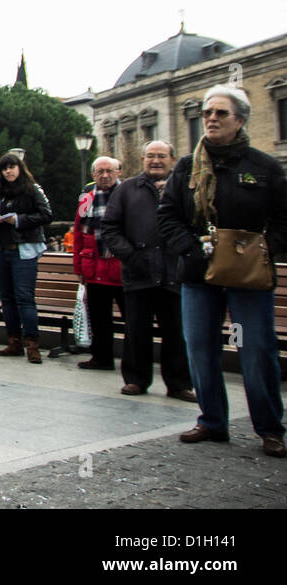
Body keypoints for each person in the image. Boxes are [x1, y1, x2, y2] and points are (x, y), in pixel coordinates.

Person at [157, 85, 286, 457]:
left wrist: (262, 249)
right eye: (207, 112)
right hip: (199, 276)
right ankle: (212, 421)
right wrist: (191, 248)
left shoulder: (264, 167)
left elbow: (283, 219)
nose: (211, 118)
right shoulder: (186, 166)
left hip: (248, 280)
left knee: (253, 349)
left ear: (240, 120)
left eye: (221, 113)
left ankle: (269, 427)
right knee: (201, 347)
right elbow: (168, 216)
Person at [100, 142, 195, 400]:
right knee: (136, 330)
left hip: (174, 272)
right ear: (143, 159)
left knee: (176, 332)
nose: (156, 161)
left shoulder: (185, 188)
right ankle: (135, 379)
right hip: (138, 272)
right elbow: (110, 227)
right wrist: (130, 256)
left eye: (161, 156)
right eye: (151, 156)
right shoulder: (128, 189)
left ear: (172, 159)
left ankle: (179, 383)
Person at [0, 153, 53, 364]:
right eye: (5, 168)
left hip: (23, 249)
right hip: (0, 249)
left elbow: (46, 214)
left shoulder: (33, 190)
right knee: (7, 298)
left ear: (20, 169)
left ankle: (33, 345)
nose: (9, 171)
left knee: (24, 297)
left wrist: (19, 220)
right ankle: (14, 342)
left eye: (12, 167)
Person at [72, 156, 124, 371]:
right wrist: (79, 267)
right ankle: (101, 358)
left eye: (109, 171)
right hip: (95, 268)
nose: (105, 175)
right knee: (99, 319)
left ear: (118, 172)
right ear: (93, 175)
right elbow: (78, 234)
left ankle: (135, 361)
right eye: (100, 171)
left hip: (123, 269)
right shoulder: (87, 200)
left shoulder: (128, 196)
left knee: (134, 320)